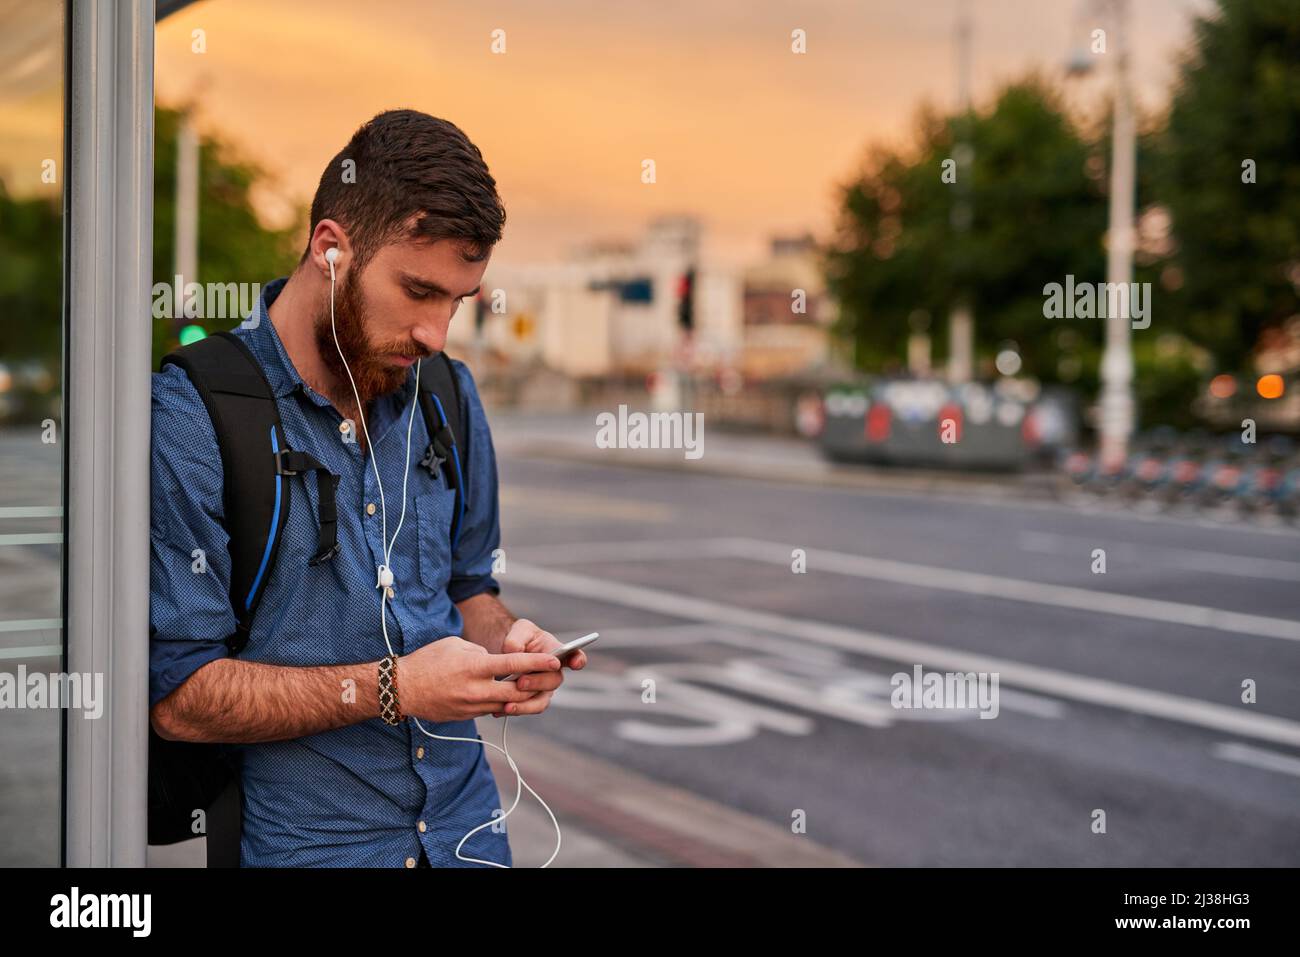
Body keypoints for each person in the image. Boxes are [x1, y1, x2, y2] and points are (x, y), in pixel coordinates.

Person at [148, 109, 586, 867]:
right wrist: (396, 688)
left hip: (470, 833)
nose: (435, 333)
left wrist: (507, 645)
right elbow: (181, 698)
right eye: (418, 290)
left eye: (457, 300)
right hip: (312, 847)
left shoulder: (447, 392)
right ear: (331, 250)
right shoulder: (196, 413)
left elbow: (469, 587)